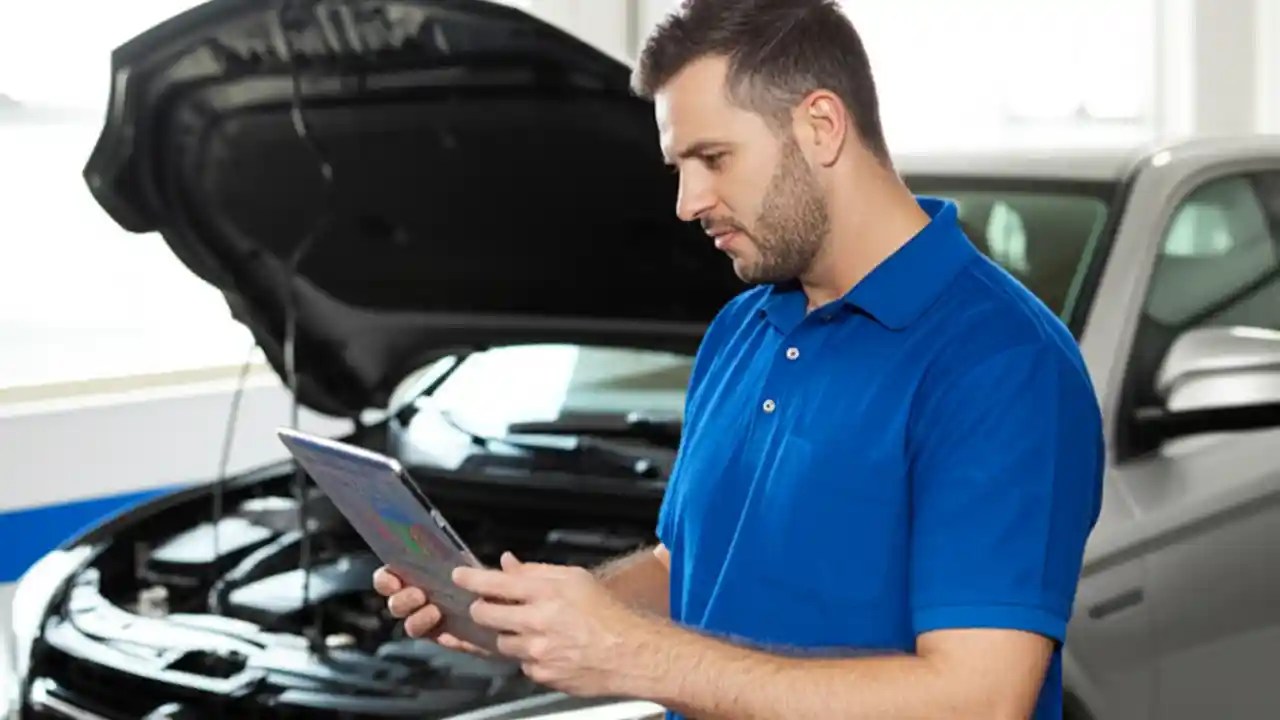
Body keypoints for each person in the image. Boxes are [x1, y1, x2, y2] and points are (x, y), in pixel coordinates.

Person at [372, 0, 1104, 718]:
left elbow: (979, 702)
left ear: (821, 125)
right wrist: (537, 619)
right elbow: (682, 568)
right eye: (677, 167)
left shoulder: (1004, 364)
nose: (689, 202)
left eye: (713, 158)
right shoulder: (738, 330)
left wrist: (633, 654)